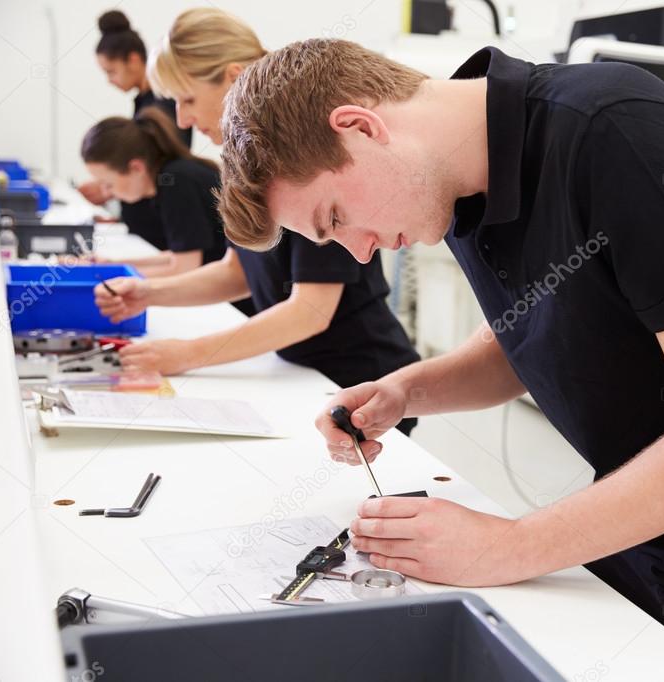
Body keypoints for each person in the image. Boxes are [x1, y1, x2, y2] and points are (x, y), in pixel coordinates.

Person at [217, 39, 664, 681]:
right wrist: (406, 391)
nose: (359, 253)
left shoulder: (614, 134)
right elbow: (529, 338)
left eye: (335, 217)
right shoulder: (453, 186)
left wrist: (509, 546)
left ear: (360, 128)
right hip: (635, 520)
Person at [93, 9, 420, 434]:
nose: (182, 120)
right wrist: (148, 293)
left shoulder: (303, 154)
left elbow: (311, 311)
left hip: (360, 380)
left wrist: (185, 354)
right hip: (299, 374)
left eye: (187, 99)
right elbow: (239, 271)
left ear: (233, 77)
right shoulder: (240, 160)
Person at [78, 10, 190, 251]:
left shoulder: (164, 104)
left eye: (111, 71)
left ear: (134, 59)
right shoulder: (142, 102)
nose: (110, 80)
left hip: (163, 236)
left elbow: (156, 170)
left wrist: (107, 188)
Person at [81, 108, 226, 278]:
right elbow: (179, 256)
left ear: (136, 168)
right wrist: (112, 266)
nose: (106, 192)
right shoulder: (171, 176)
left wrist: (111, 276)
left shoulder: (177, 182)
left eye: (108, 184)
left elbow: (185, 269)